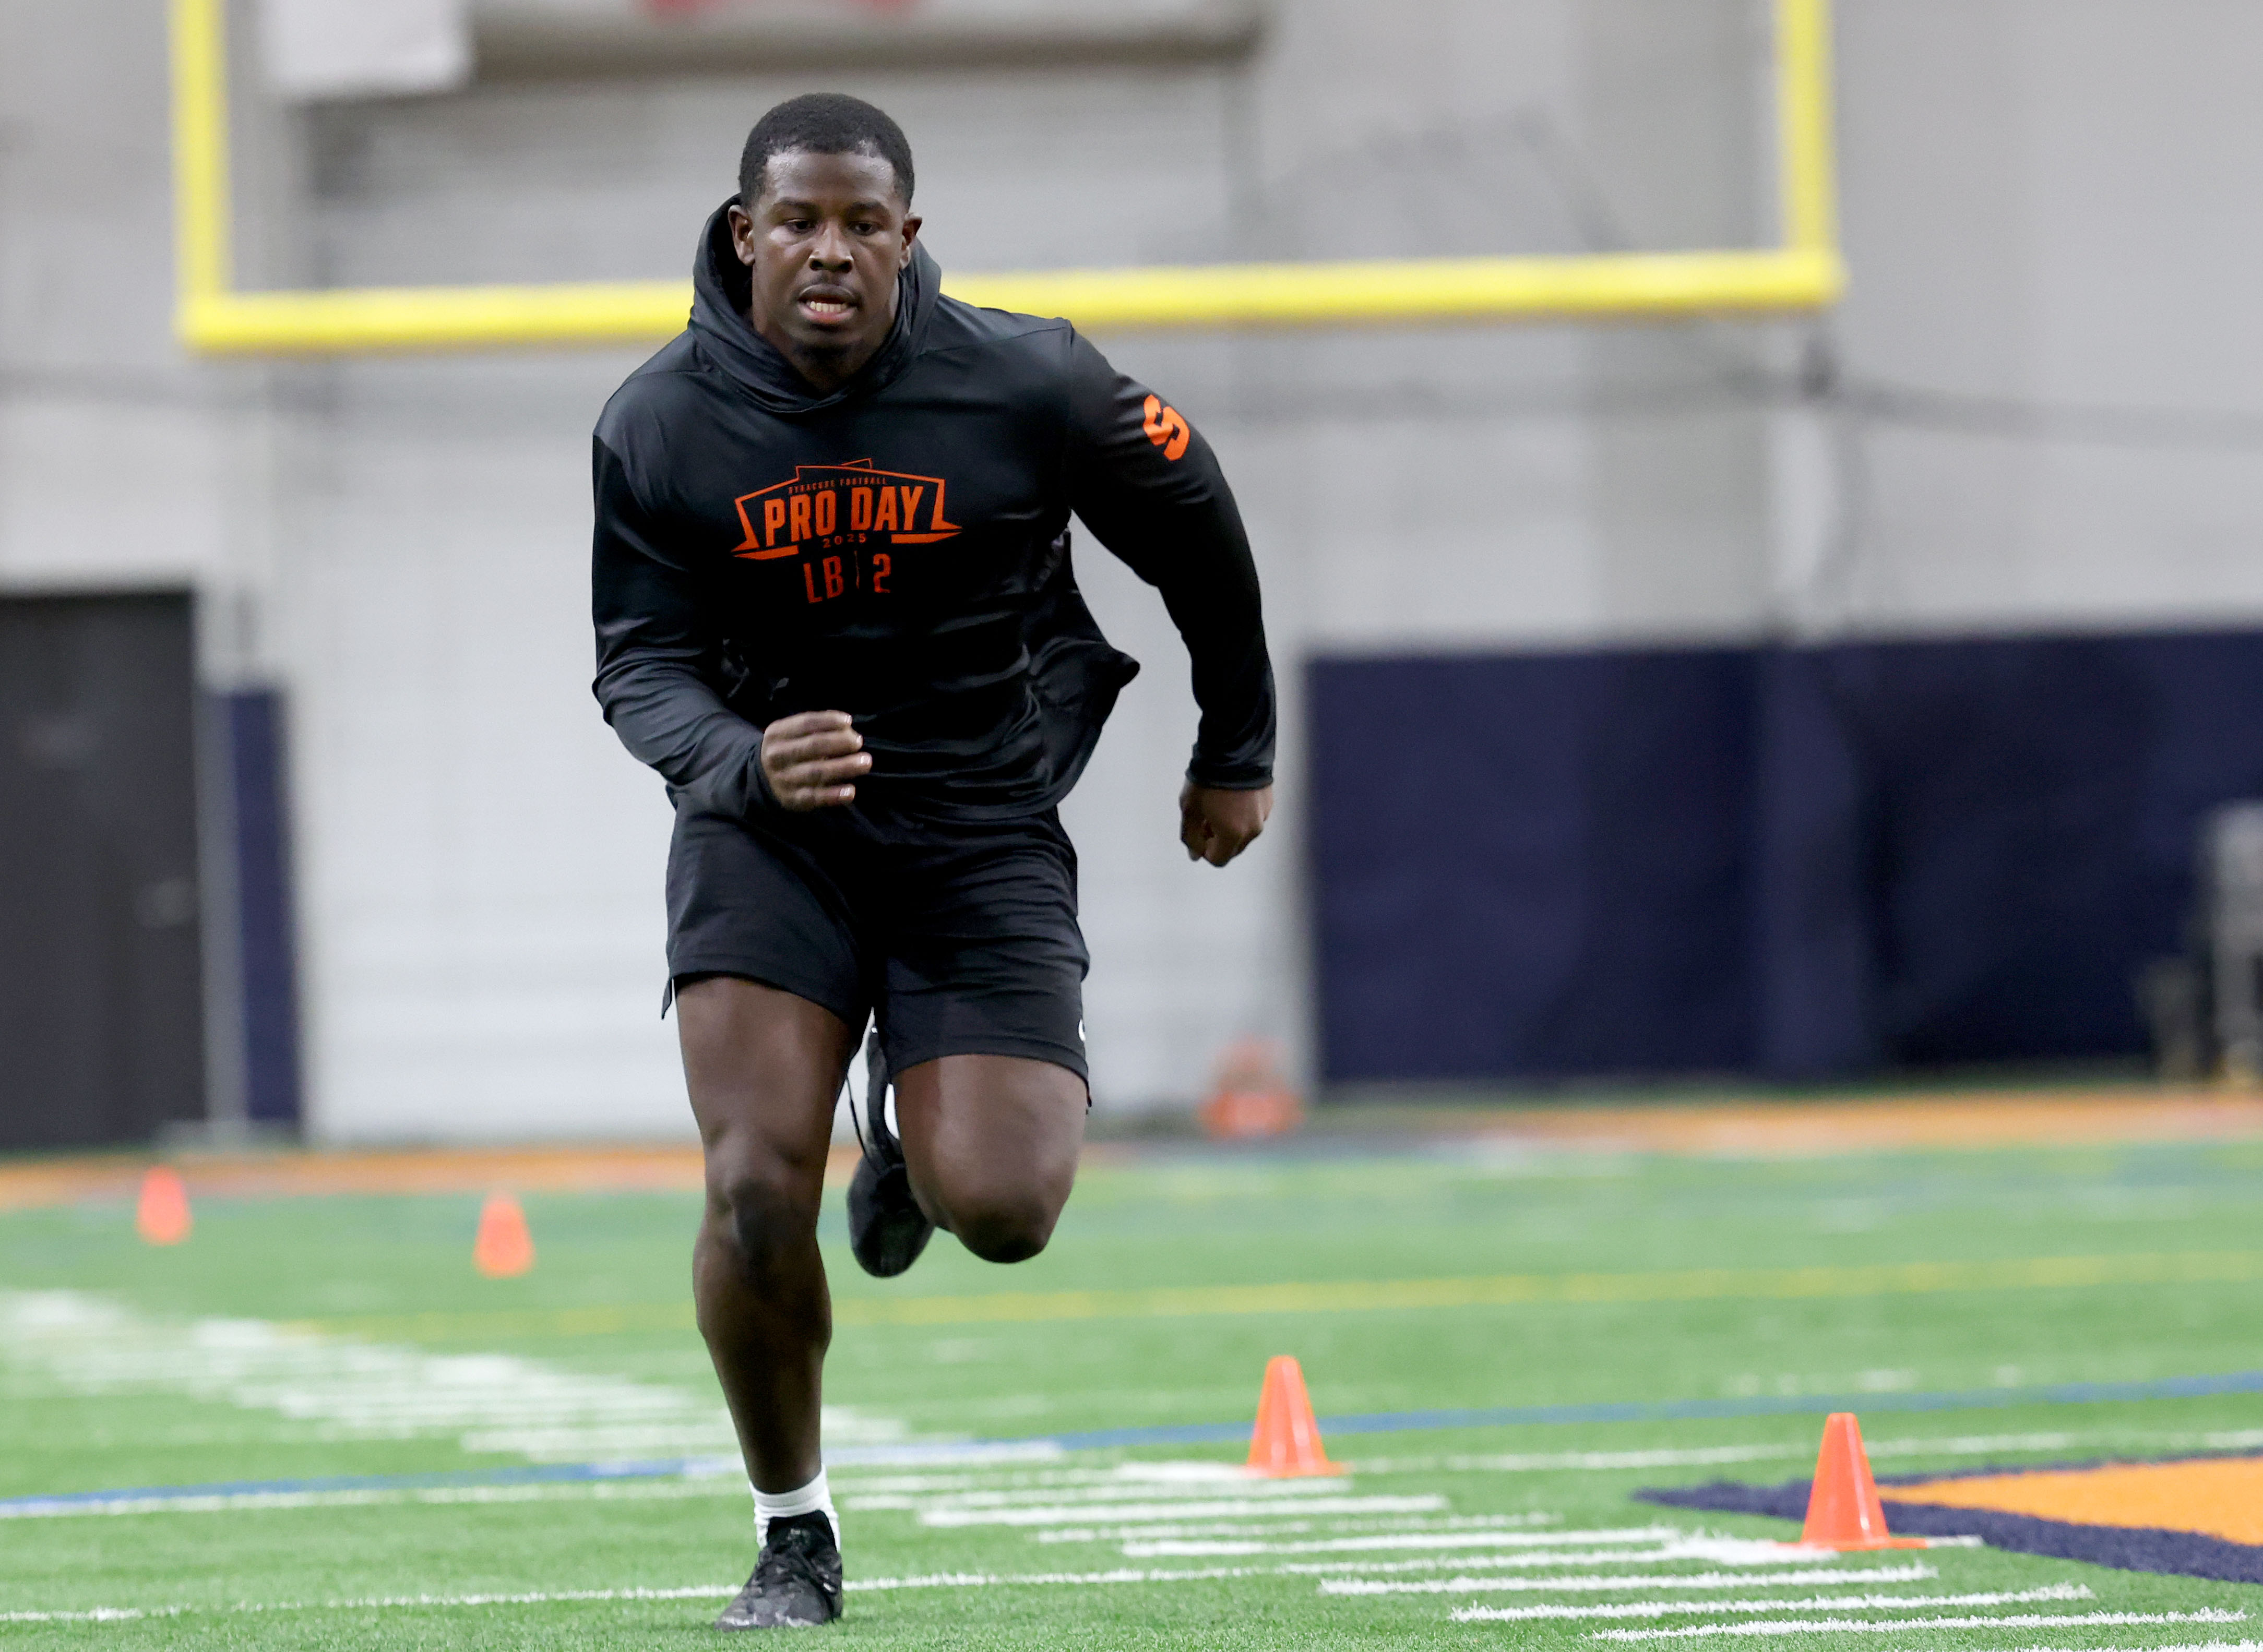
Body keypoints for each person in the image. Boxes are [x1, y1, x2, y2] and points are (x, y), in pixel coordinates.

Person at [591, 91, 1274, 1630]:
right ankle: (793, 1536)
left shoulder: (1029, 376)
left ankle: (906, 1134)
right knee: (755, 1183)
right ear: (743, 233)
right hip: (770, 834)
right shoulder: (658, 421)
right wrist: (737, 760)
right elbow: (639, 664)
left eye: (863, 224)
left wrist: (1236, 745)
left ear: (910, 237)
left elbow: (1199, 525)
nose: (830, 251)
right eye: (799, 223)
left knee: (1008, 1208)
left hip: (976, 821)